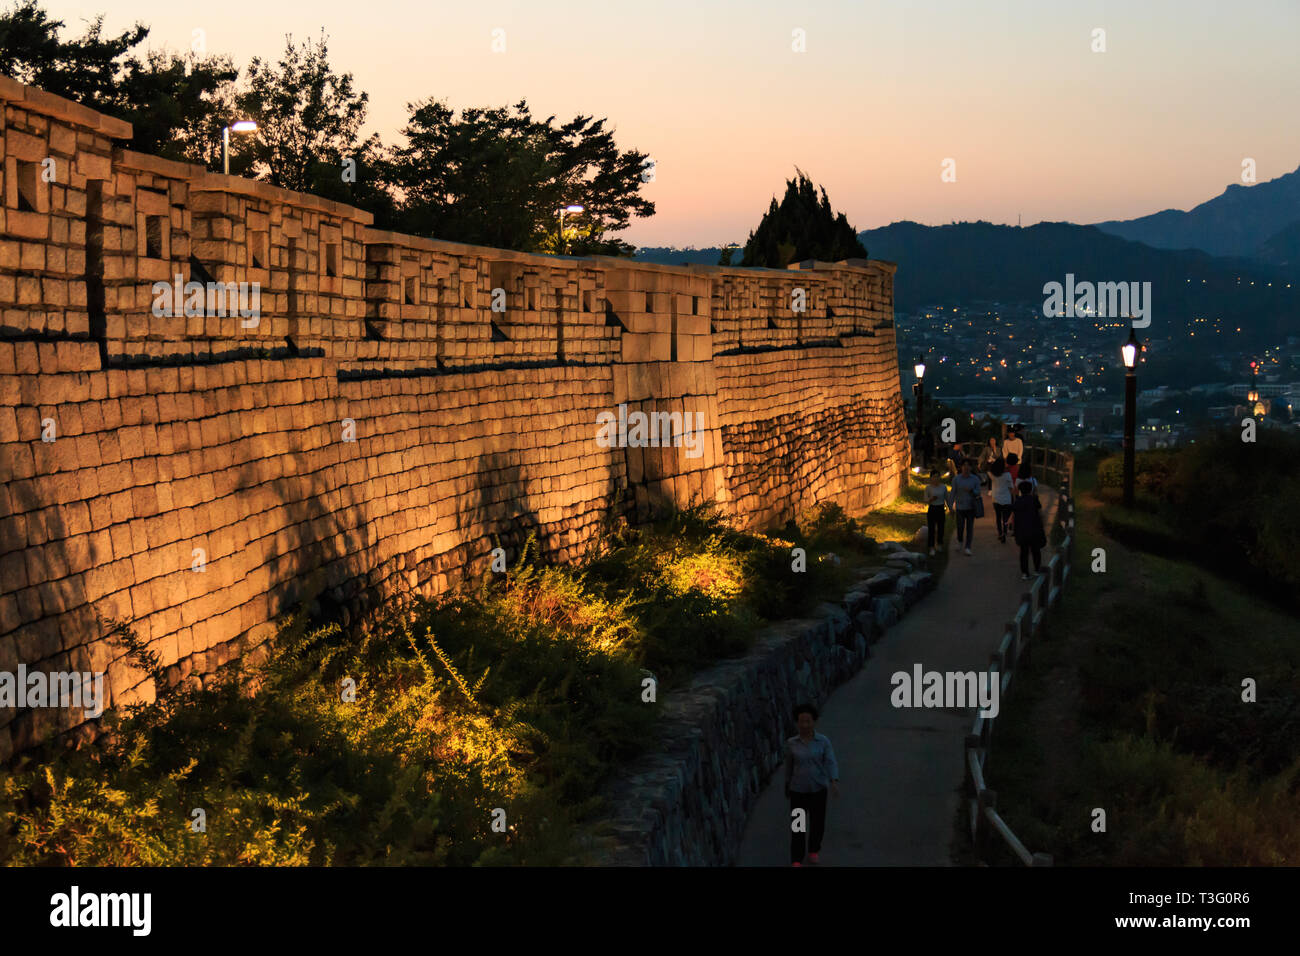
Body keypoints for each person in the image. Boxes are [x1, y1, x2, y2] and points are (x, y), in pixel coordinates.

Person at [784, 703, 840, 866]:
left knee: (817, 824)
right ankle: (796, 858)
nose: (805, 725)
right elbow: (789, 766)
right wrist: (787, 784)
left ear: (814, 722)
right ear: (797, 723)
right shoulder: (792, 743)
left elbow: (830, 762)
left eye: (808, 721)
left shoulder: (823, 742)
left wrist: (833, 780)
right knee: (798, 826)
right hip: (798, 791)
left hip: (818, 790)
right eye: (801, 721)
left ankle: (814, 850)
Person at [1008, 479, 1047, 580]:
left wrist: (1013, 530)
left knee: (1024, 552)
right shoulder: (1034, 500)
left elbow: (1014, 517)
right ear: (1030, 490)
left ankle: (1025, 573)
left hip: (1022, 531)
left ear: (1020, 490)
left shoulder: (1017, 502)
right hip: (1034, 529)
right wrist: (1043, 525)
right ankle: (1037, 570)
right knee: (1036, 551)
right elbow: (1040, 514)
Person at [951, 459, 983, 555]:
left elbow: (978, 492)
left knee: (969, 528)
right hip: (960, 507)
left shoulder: (975, 479)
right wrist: (950, 506)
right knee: (960, 527)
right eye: (964, 465)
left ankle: (968, 547)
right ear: (961, 467)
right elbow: (953, 493)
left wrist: (971, 491)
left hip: (971, 507)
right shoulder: (956, 479)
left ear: (971, 467)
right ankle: (960, 541)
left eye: (968, 465)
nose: (966, 467)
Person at [924, 467, 950, 556]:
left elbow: (947, 498)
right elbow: (925, 500)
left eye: (938, 477)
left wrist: (950, 508)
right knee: (931, 529)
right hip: (932, 508)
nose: (936, 479)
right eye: (934, 477)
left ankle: (939, 544)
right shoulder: (928, 488)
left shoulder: (943, 487)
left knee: (941, 528)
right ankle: (931, 546)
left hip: (940, 508)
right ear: (931, 478)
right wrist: (931, 499)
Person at [990, 458, 1015, 543]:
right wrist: (1014, 498)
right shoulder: (1007, 475)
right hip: (1006, 500)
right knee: (1005, 518)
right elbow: (1011, 488)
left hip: (996, 499)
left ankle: (1000, 533)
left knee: (998, 517)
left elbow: (984, 468)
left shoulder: (992, 475)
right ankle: (1004, 532)